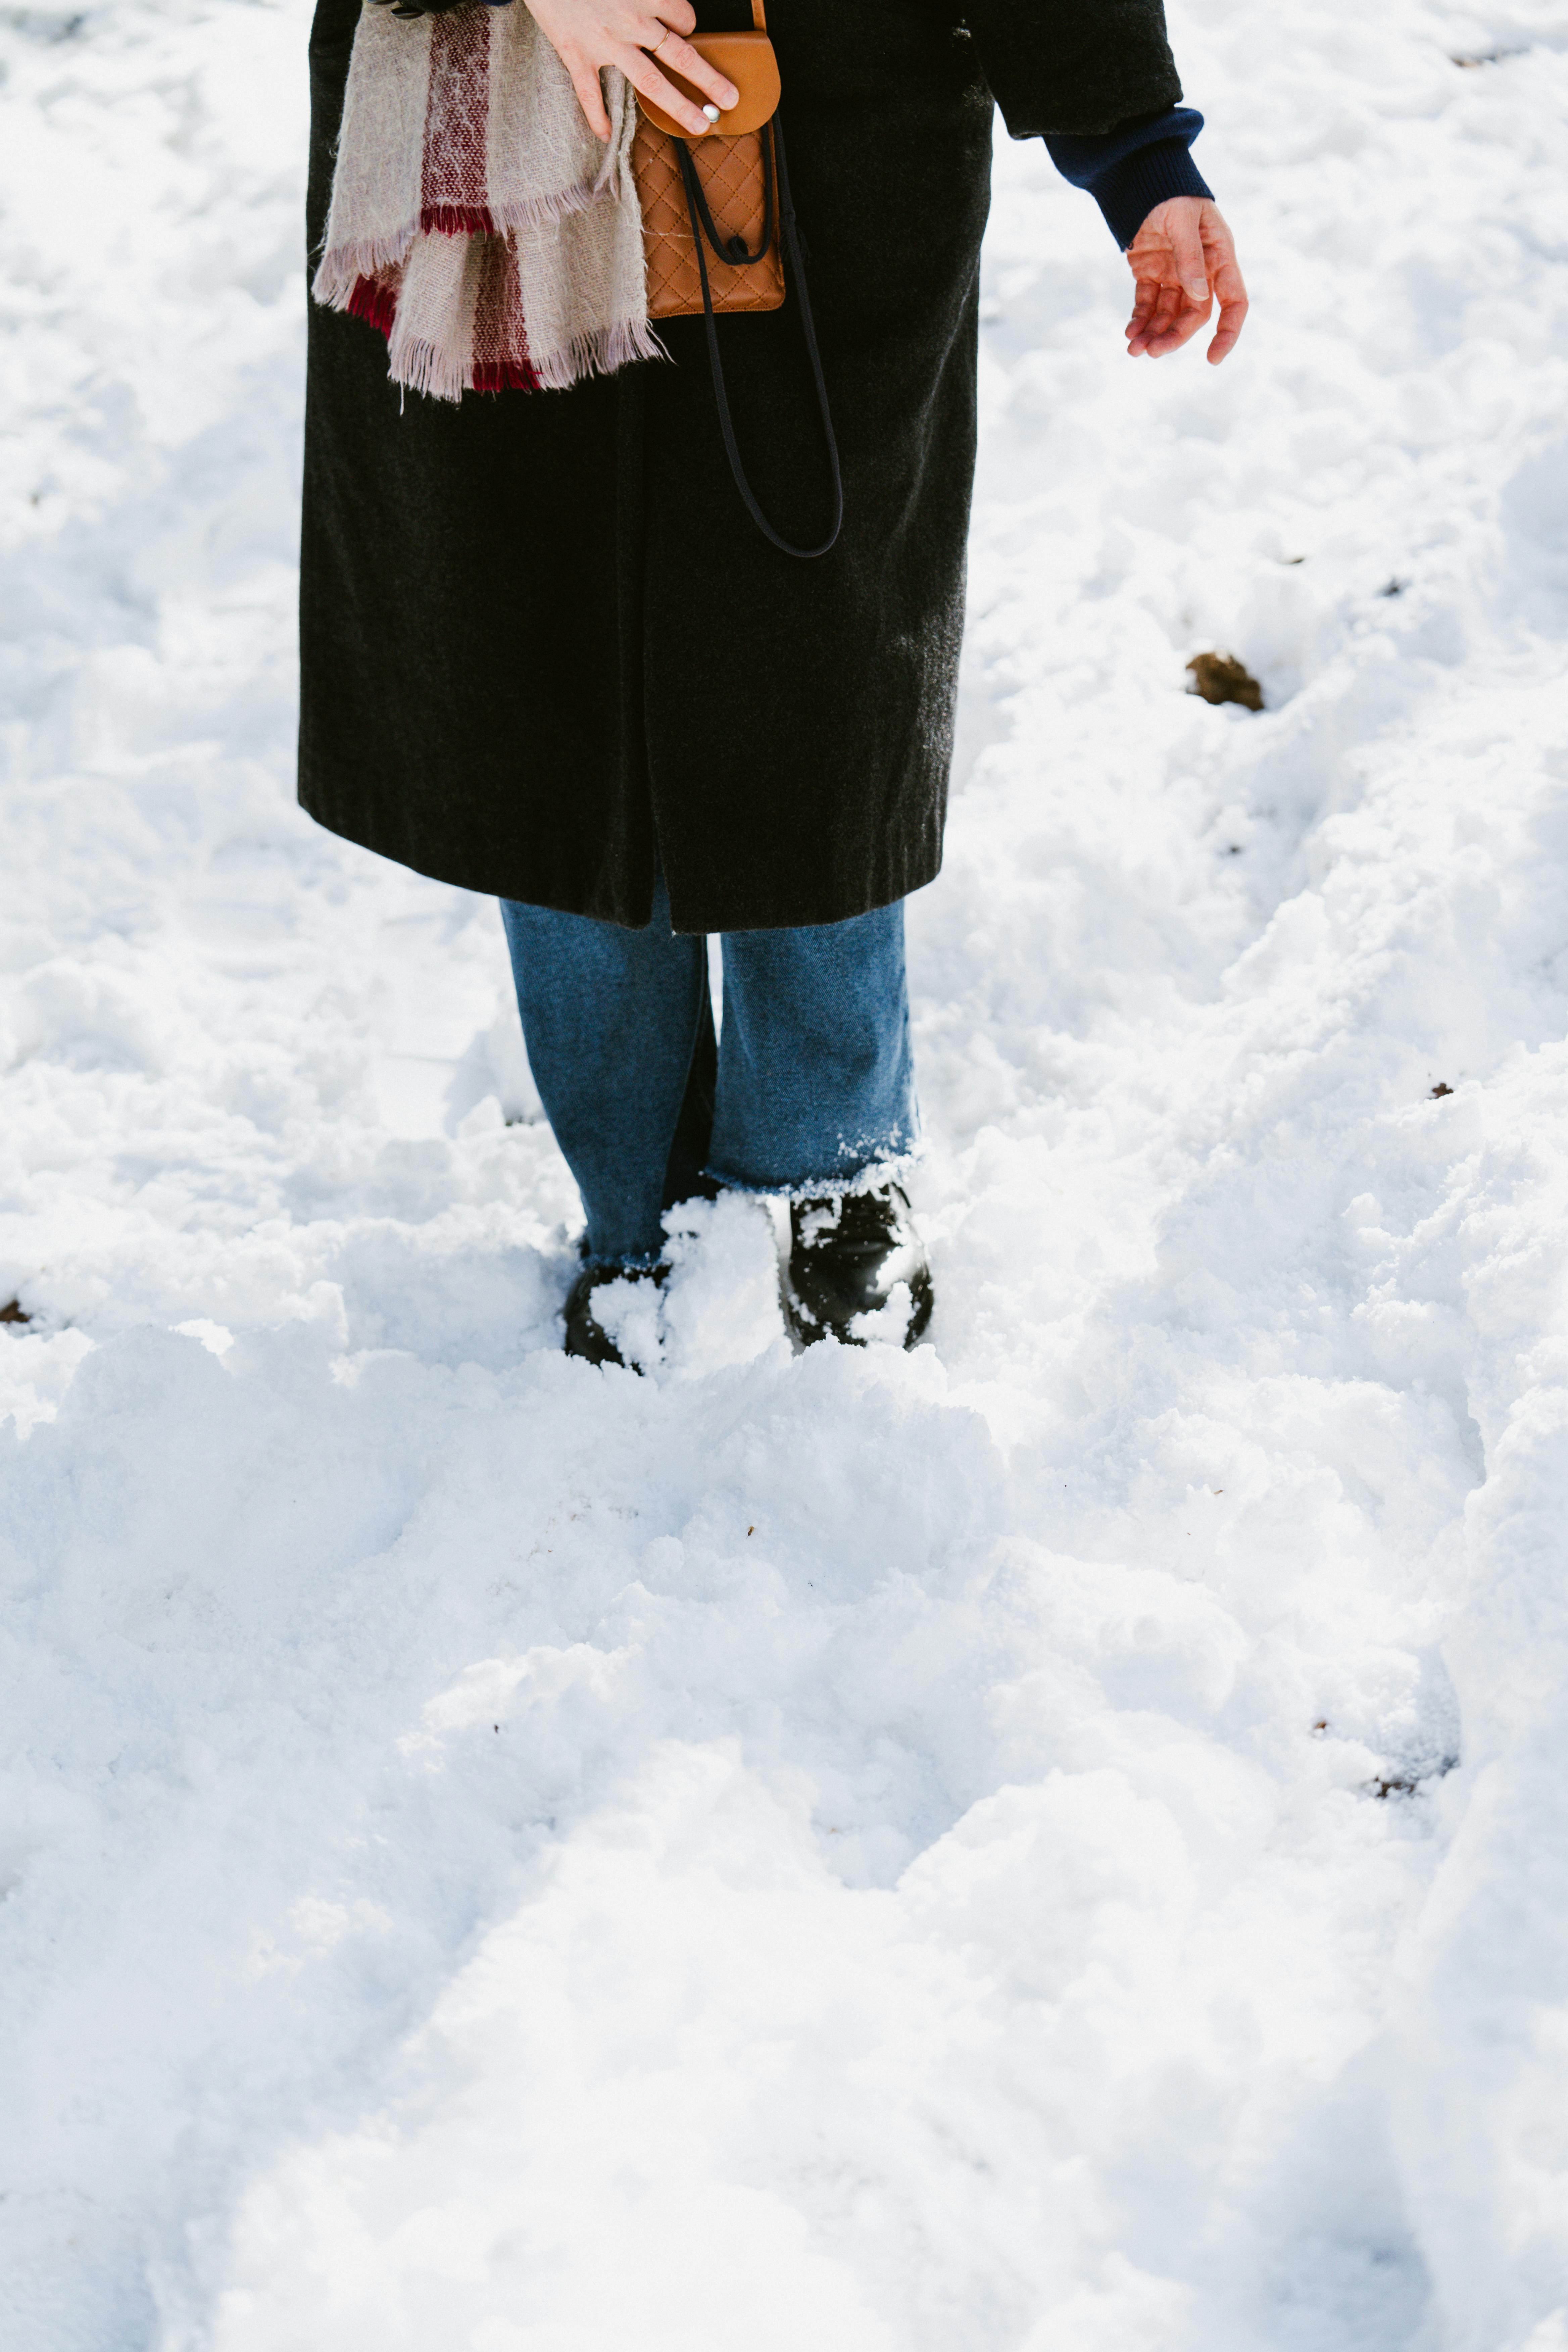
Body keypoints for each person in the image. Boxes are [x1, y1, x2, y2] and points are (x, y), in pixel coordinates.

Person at [300, 0, 1248, 1366]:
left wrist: (1137, 152)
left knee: (817, 659)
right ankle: (635, 1214)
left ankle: (832, 1176)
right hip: (494, 128)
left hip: (830, 147)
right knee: (546, 668)